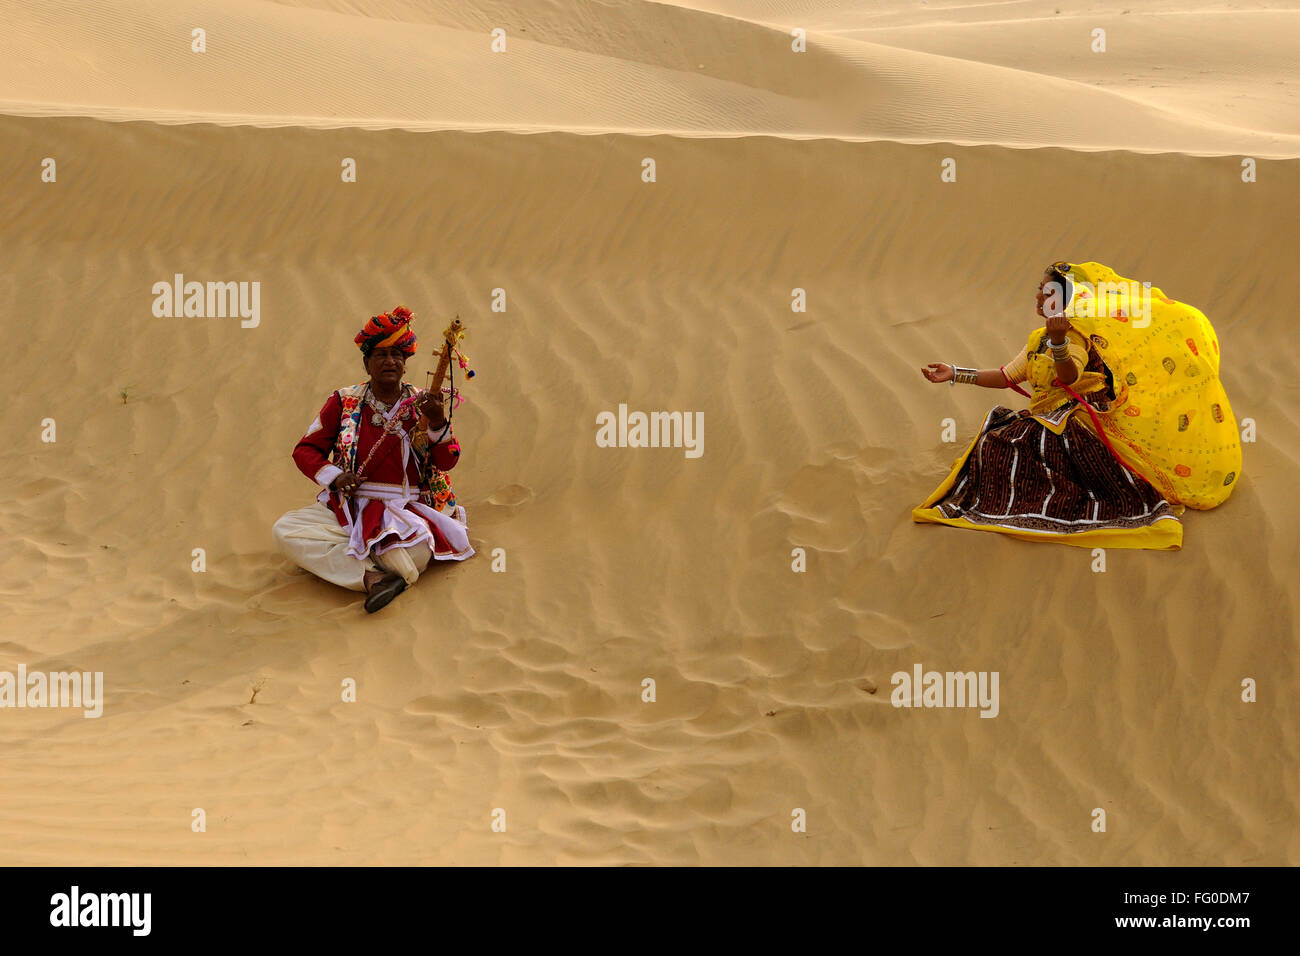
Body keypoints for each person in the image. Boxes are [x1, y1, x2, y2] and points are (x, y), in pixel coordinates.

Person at [912, 262, 1196, 549]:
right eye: (1040, 290)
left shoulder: (1076, 337)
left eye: (1048, 293)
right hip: (1047, 418)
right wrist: (955, 373)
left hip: (1074, 425)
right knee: (995, 441)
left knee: (1001, 446)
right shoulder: (1039, 338)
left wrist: (1059, 343)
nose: (1038, 297)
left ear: (1066, 301)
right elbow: (1005, 376)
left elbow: (1069, 377)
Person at [273, 306, 474, 611]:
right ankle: (372, 578)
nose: (390, 361)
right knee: (285, 530)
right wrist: (336, 477)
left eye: (397, 354)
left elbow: (448, 461)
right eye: (380, 354)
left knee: (420, 551)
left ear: (405, 364)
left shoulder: (424, 403)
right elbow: (305, 451)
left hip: (405, 509)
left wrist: (436, 422)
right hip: (349, 509)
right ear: (367, 363)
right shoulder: (343, 401)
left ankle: (358, 562)